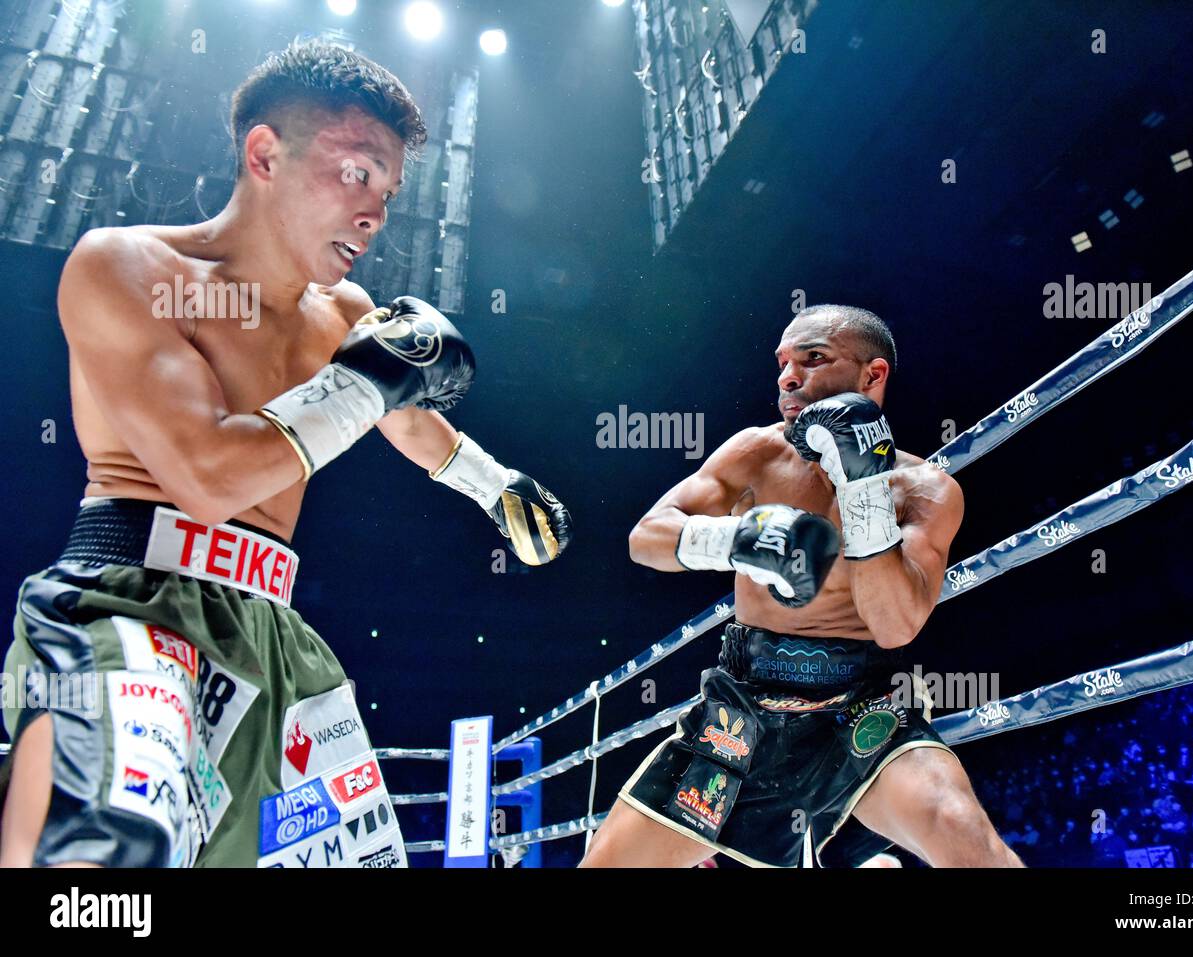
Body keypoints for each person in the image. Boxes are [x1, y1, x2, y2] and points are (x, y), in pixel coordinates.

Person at [0, 39, 570, 868]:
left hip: (276, 637)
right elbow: (207, 476)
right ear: (264, 153)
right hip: (133, 603)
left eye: (388, 190)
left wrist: (498, 487)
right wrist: (368, 384)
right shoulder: (130, 266)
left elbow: (408, 419)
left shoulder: (347, 315)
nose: (376, 212)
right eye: (357, 172)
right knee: (109, 852)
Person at [581, 304, 1018, 868]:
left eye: (814, 359)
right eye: (784, 363)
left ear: (872, 376)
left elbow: (895, 624)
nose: (789, 377)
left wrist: (863, 490)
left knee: (969, 843)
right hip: (743, 712)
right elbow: (646, 537)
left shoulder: (925, 489)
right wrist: (744, 538)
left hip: (865, 710)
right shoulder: (757, 452)